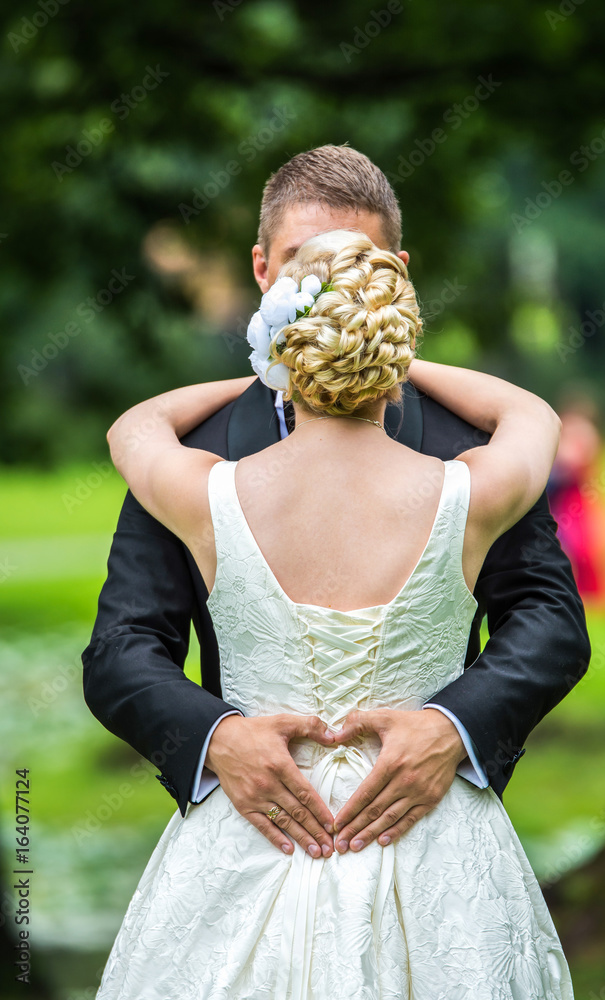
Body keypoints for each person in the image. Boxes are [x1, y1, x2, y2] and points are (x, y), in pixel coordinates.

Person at [91, 227, 575, 997]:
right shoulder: (470, 492)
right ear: (391, 354)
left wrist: (265, 375)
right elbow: (533, 415)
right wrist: (381, 346)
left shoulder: (208, 494)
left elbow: (134, 427)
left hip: (256, 834)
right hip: (429, 838)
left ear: (285, 351)